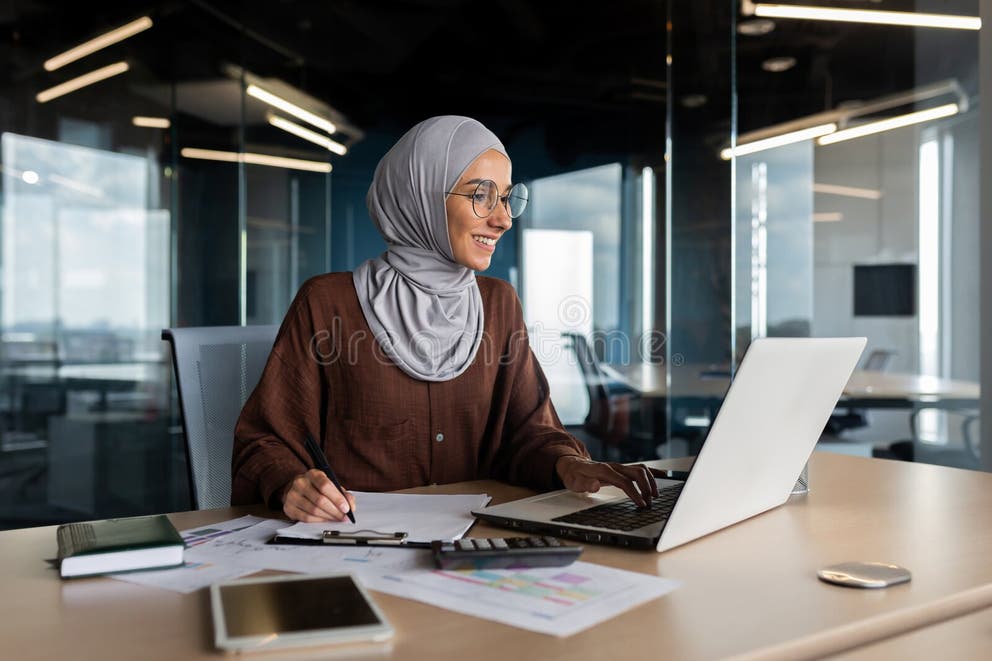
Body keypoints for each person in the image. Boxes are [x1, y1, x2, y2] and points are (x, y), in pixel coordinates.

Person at [231, 115, 657, 522]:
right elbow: (263, 441)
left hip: (477, 543)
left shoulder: (499, 304)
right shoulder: (328, 302)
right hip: (359, 547)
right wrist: (292, 483)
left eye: (507, 198)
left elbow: (527, 433)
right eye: (481, 195)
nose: (503, 219)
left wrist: (568, 465)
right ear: (421, 195)